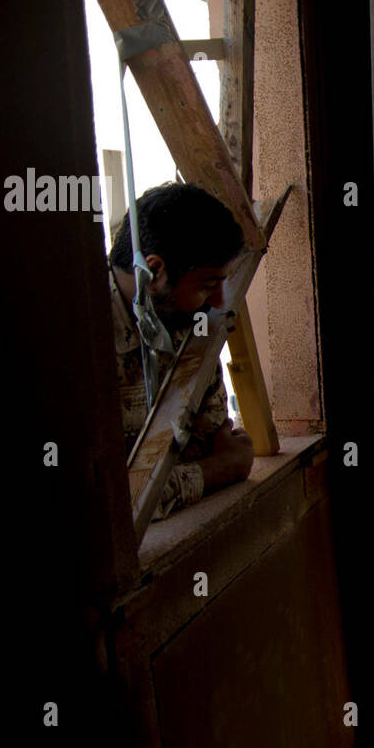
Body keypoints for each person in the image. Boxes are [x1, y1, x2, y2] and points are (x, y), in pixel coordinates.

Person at [108, 182, 255, 519]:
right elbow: (112, 509)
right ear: (155, 271)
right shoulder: (81, 343)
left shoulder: (181, 320)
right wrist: (218, 470)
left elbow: (217, 440)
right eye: (209, 285)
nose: (219, 302)